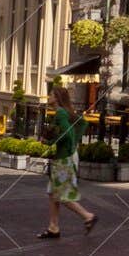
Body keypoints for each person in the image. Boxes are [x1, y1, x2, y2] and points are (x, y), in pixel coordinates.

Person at [40, 84, 98, 240]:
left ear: (57, 98)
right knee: (53, 192)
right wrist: (74, 143)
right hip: (67, 155)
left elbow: (65, 133)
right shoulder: (66, 112)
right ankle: (53, 227)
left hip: (64, 158)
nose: (49, 97)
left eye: (51, 94)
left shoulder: (60, 113)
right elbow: (83, 123)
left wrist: (50, 142)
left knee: (63, 195)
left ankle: (88, 216)